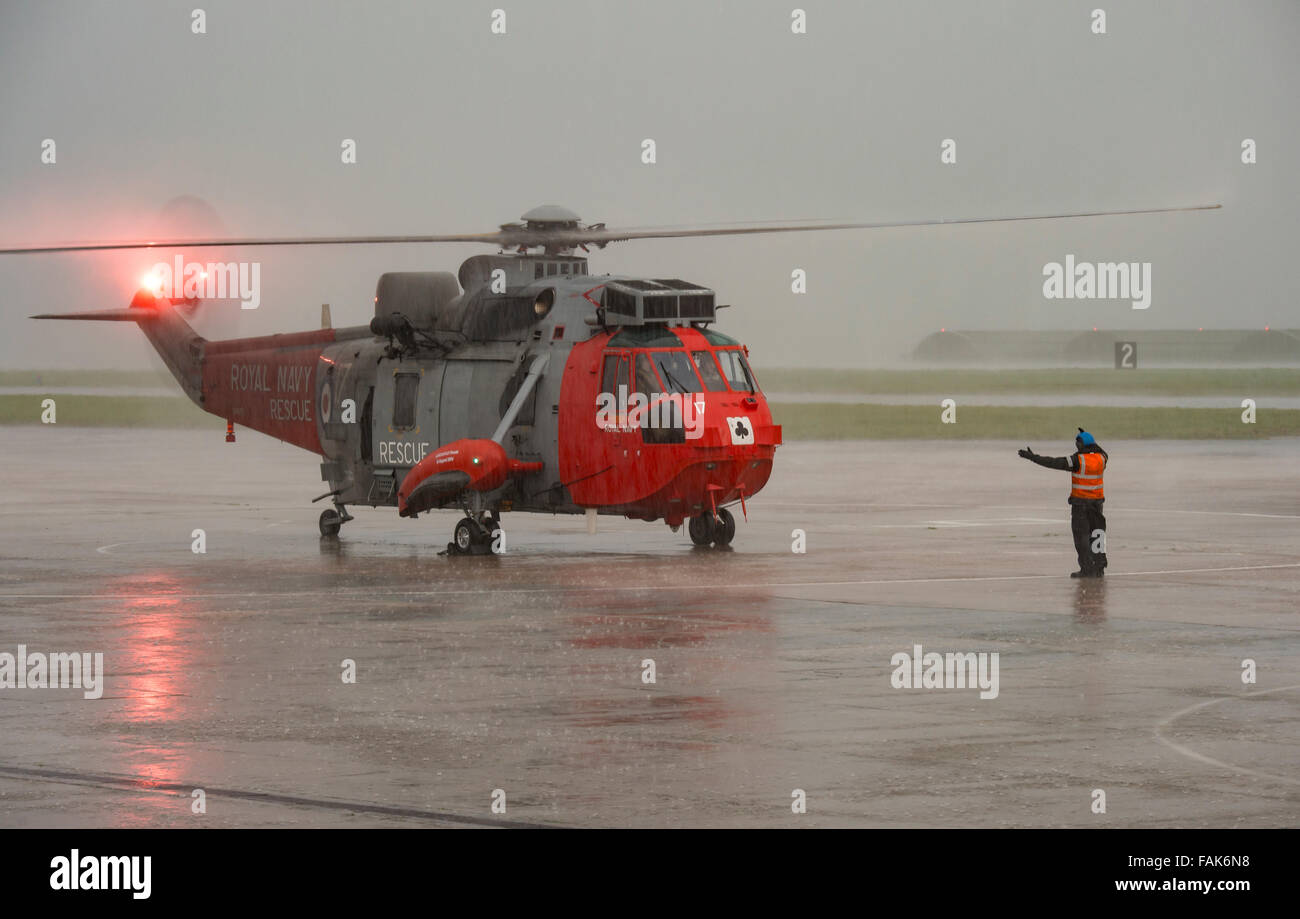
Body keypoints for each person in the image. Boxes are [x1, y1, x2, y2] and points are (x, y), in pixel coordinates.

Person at [1018, 429, 1108, 578]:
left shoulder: (1078, 460)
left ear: (1081, 444)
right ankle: (1099, 567)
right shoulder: (1102, 458)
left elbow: (1053, 462)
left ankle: (1087, 569)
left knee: (1081, 537)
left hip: (1081, 504)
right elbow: (1099, 449)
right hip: (1097, 504)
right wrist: (1088, 438)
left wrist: (1033, 457)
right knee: (1098, 534)